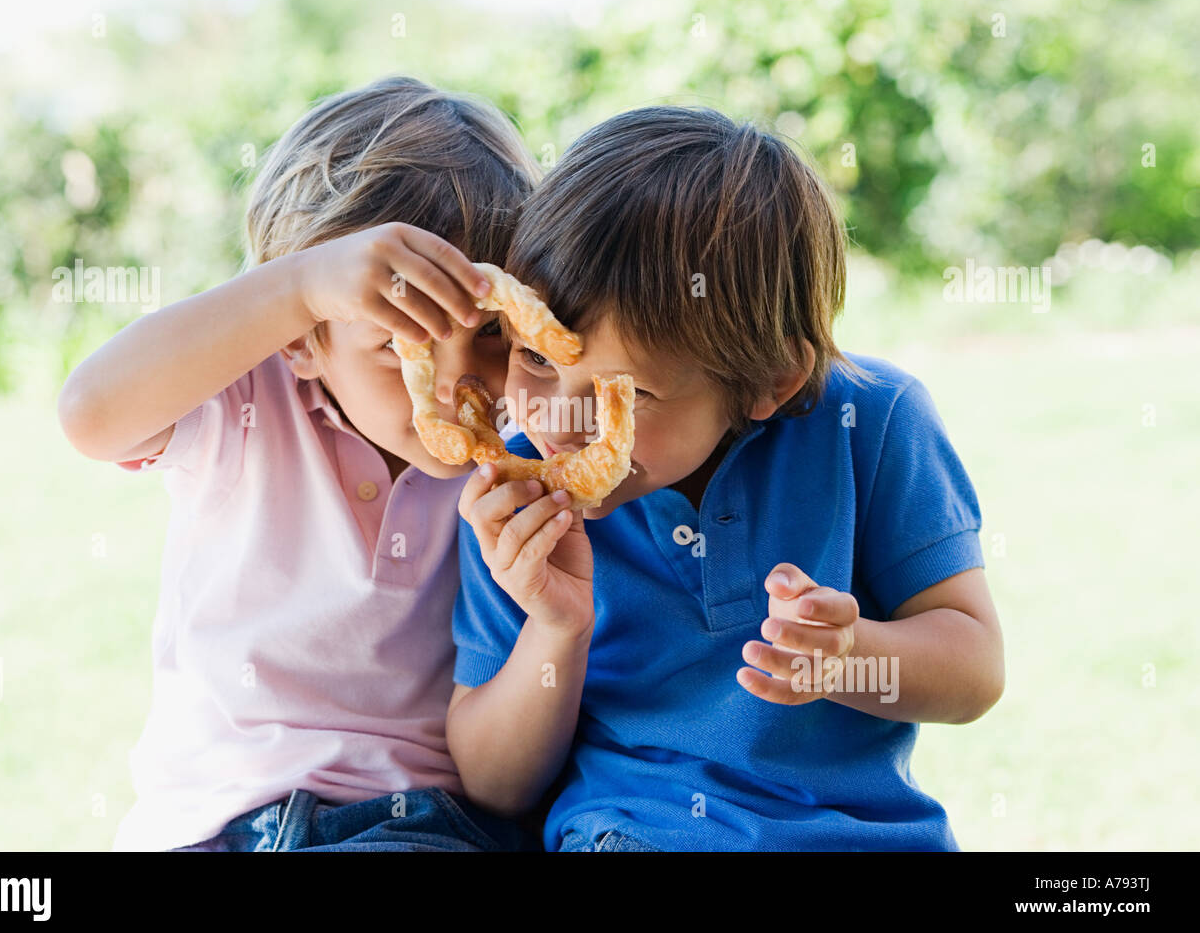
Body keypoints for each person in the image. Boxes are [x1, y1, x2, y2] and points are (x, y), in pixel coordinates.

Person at [447, 106, 1005, 851]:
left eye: (628, 397)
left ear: (768, 381)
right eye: (538, 360)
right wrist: (557, 624)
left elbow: (974, 672)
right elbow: (494, 785)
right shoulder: (507, 509)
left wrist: (848, 659)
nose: (555, 423)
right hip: (634, 833)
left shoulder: (871, 424)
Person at [58, 76, 540, 851]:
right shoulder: (241, 399)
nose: (459, 384)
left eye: (489, 335)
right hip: (209, 820)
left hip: (412, 821)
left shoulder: (522, 460)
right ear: (305, 337)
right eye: (399, 342)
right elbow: (89, 414)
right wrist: (300, 285)